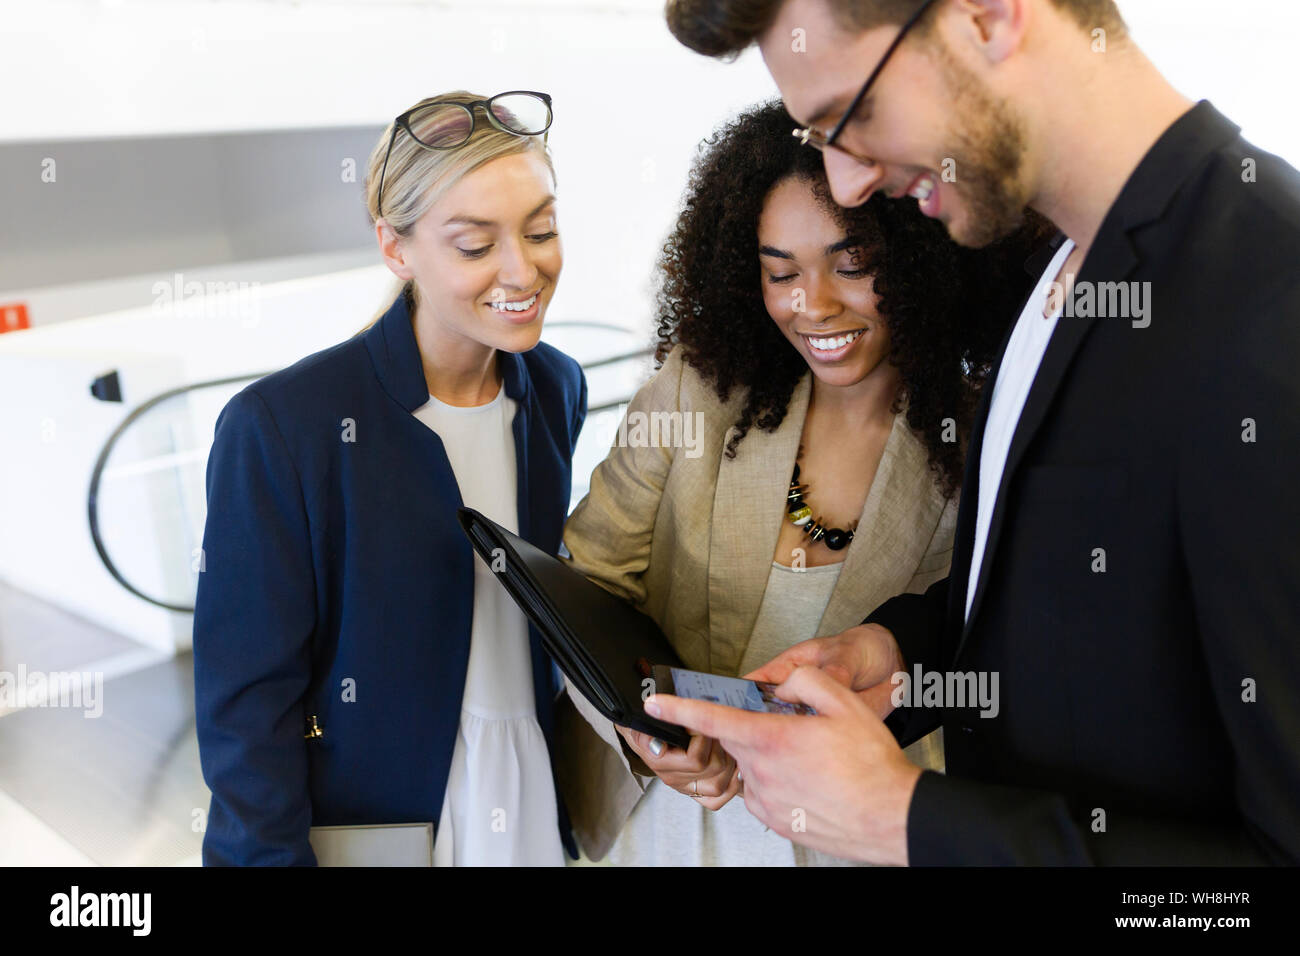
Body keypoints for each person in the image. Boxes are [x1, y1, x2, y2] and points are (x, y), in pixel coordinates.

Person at [650, 0, 1300, 864]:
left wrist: (906, 821)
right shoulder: (1051, 278)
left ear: (987, 18)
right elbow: (1076, 605)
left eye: (853, 117)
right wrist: (899, 653)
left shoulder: (1269, 300)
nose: (846, 184)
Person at [553, 99, 1045, 864]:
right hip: (660, 821)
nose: (811, 304)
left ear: (919, 263)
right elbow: (587, 583)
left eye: (852, 266)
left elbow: (977, 652)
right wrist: (644, 727)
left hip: (854, 837)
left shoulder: (977, 435)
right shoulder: (699, 390)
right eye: (779, 273)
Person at [193, 90, 587, 865]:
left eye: (540, 230)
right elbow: (248, 704)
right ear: (395, 247)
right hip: (379, 821)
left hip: (528, 790)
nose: (523, 268)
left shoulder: (554, 388)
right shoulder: (282, 425)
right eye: (475, 245)